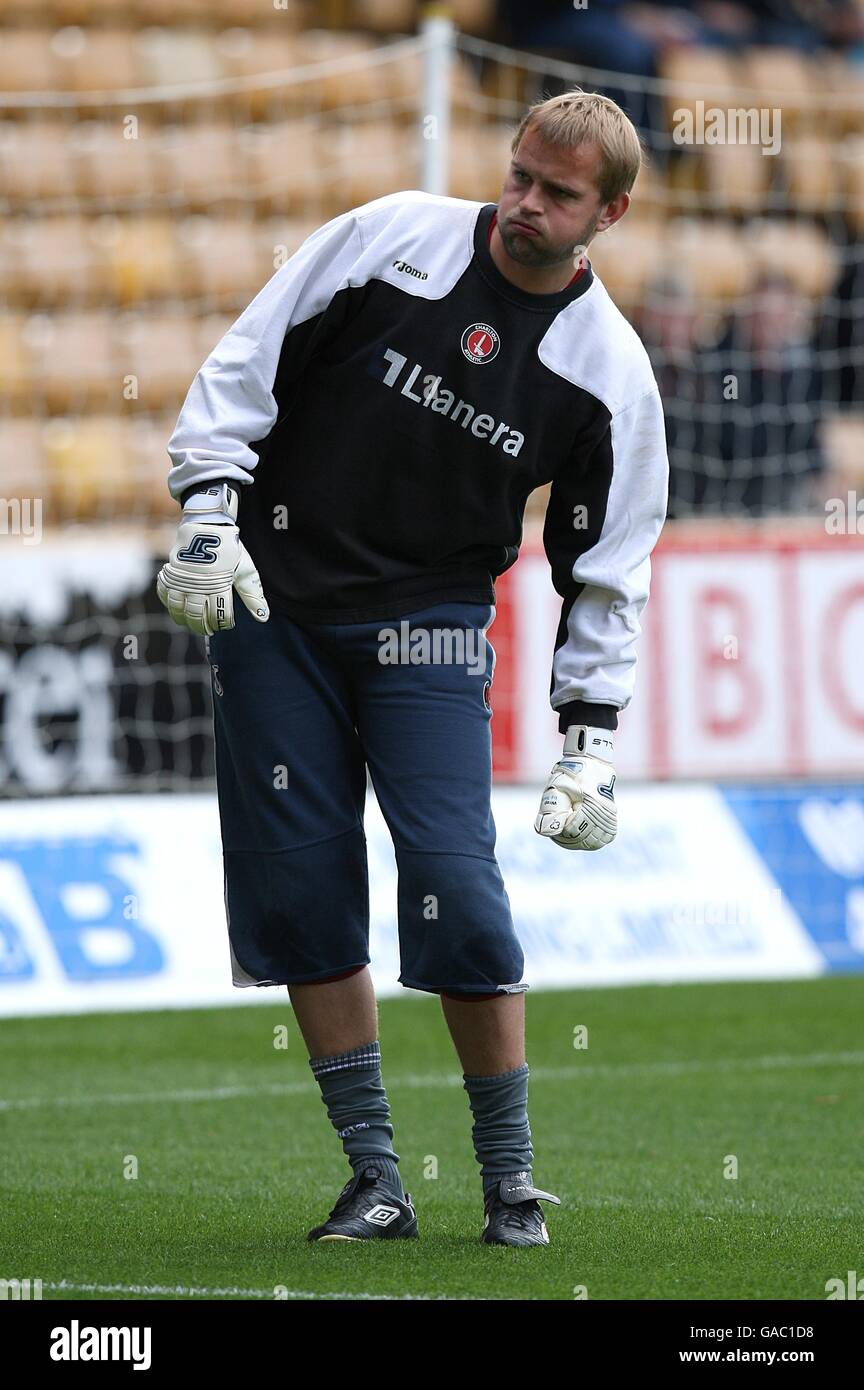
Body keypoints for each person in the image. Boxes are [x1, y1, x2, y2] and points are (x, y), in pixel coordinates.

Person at [156, 90, 668, 1247]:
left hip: (432, 624)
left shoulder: (611, 373)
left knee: (457, 885)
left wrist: (590, 737)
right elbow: (250, 355)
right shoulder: (392, 235)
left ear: (612, 213)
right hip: (270, 604)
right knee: (299, 889)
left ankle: (510, 1181)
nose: (523, 204)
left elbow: (607, 567)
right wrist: (207, 508)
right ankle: (376, 1179)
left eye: (558, 194)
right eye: (521, 175)